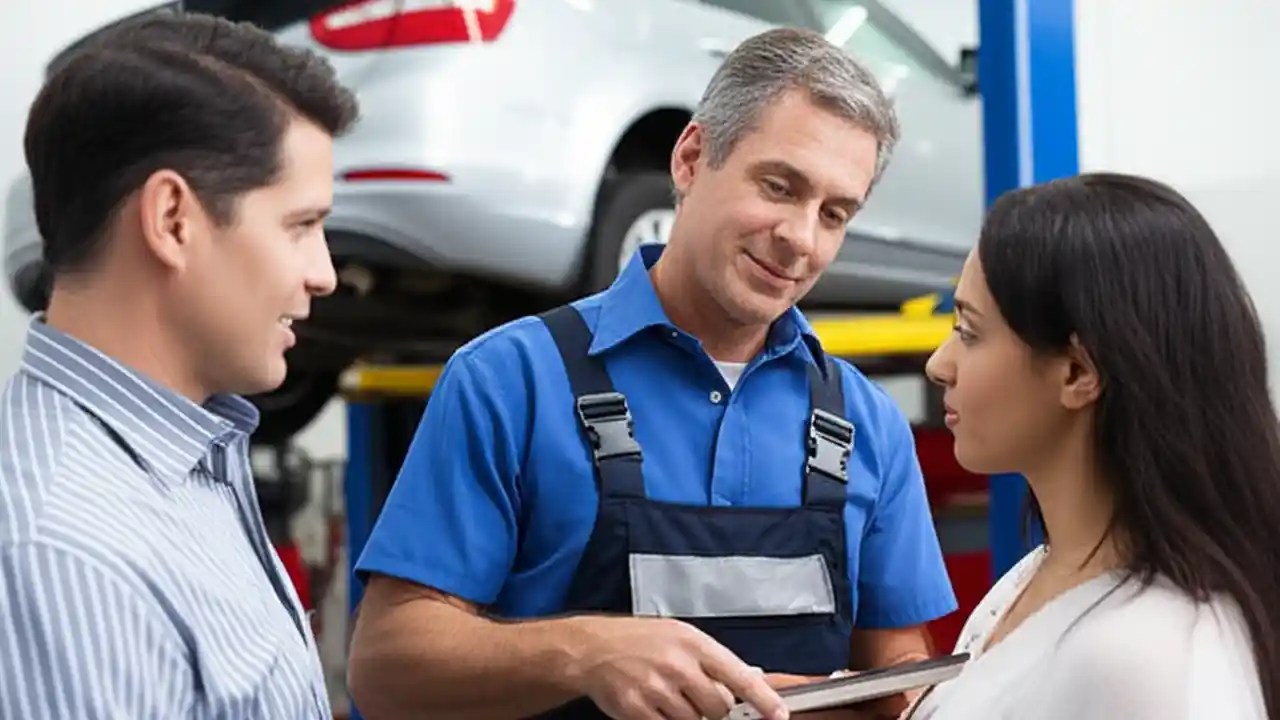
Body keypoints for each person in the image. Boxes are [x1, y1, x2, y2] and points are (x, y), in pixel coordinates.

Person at [347, 26, 957, 720]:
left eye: (834, 213)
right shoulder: (510, 382)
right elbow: (385, 669)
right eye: (779, 186)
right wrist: (586, 653)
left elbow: (900, 672)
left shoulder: (865, 424)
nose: (801, 238)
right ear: (693, 158)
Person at [0, 11, 359, 719]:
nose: (324, 274)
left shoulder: (185, 466)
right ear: (172, 220)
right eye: (301, 225)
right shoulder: (64, 555)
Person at [910, 173, 1279, 719]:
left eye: (969, 332)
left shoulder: (1146, 658)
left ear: (1078, 371)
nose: (939, 365)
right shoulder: (1040, 575)